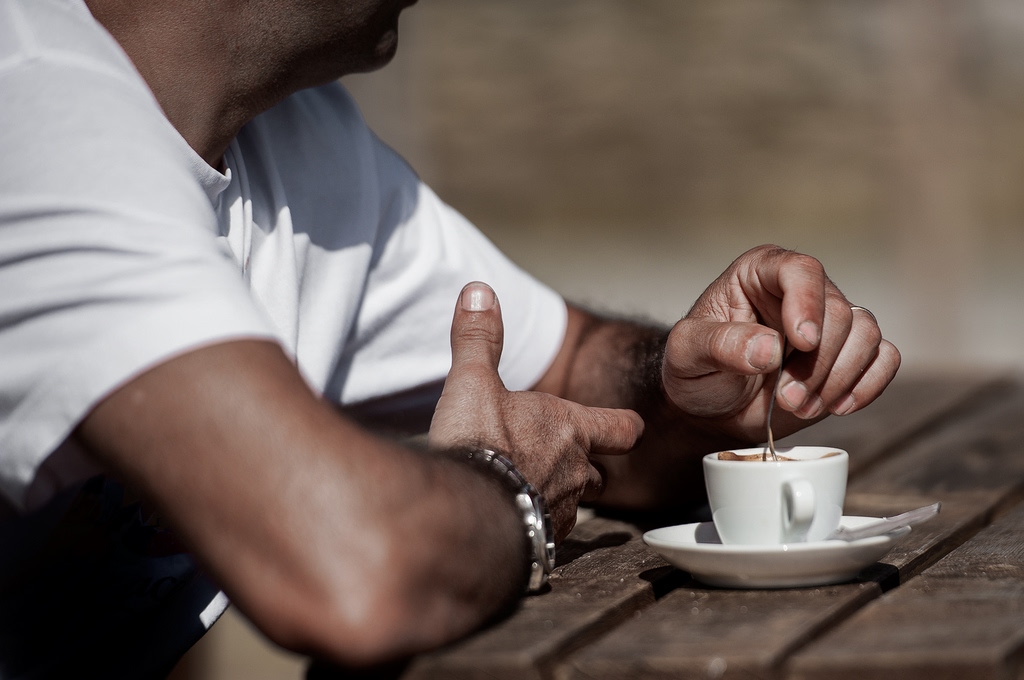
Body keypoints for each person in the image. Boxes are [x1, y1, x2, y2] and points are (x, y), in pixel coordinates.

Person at [0, 0, 901, 677]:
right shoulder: (34, 110)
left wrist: (684, 390)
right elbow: (358, 571)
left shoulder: (295, 146)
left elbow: (571, 374)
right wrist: (505, 493)